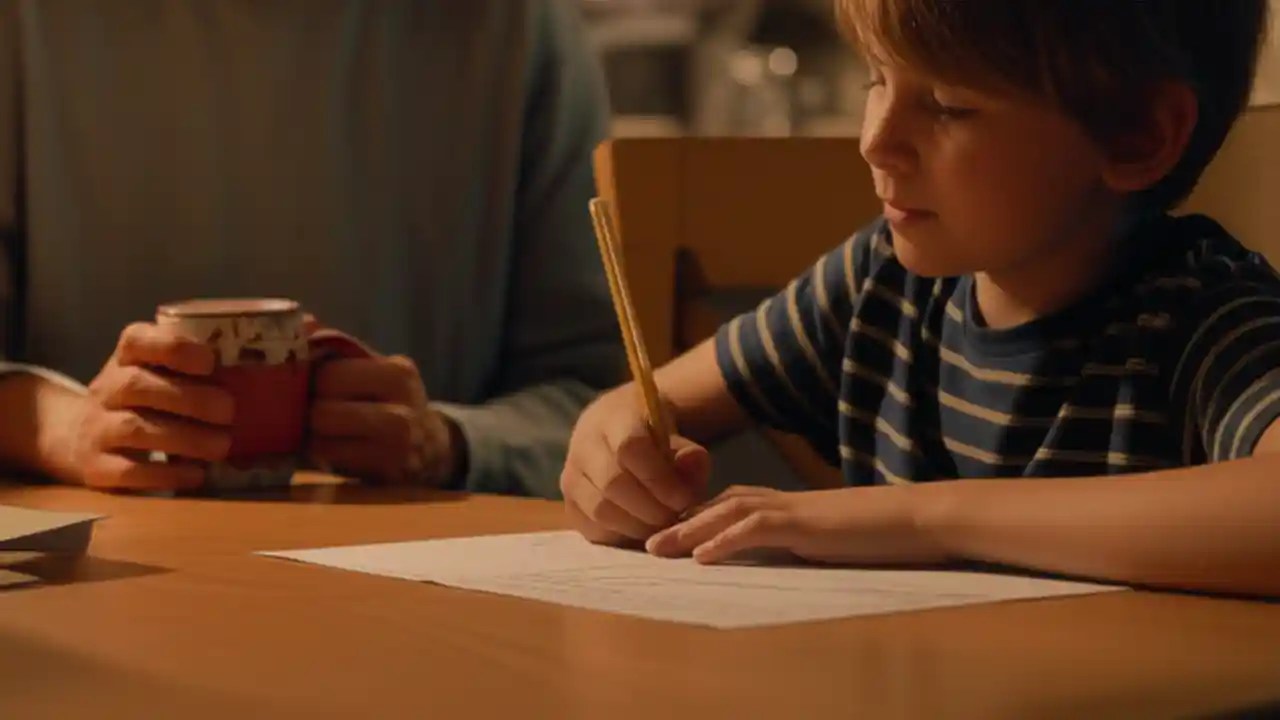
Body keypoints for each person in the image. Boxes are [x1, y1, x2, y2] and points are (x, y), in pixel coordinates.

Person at [561, 0, 1280, 597]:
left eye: (947, 105)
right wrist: (615, 449)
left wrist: (923, 518)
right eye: (876, 79)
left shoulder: (1204, 317)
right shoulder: (880, 284)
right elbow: (651, 403)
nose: (876, 141)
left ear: (1136, 135)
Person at [0, 0, 621, 498]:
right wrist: (65, 429)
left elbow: (612, 398)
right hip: (100, 570)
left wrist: (450, 442)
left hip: (420, 587)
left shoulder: (513, 27)